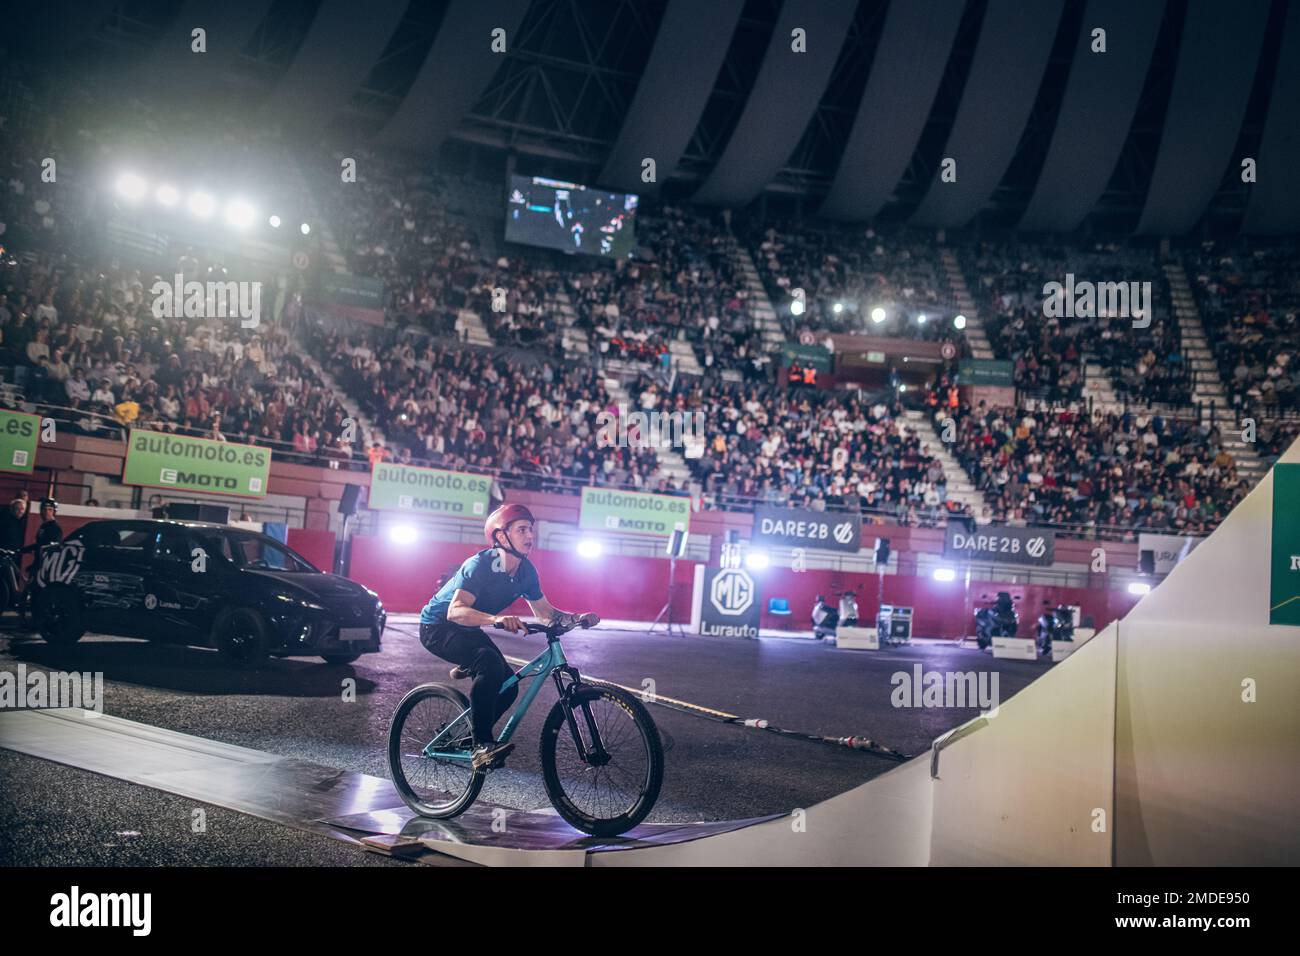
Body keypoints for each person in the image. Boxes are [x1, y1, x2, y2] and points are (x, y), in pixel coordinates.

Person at [417, 504, 599, 771]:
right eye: (522, 529)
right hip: (437, 626)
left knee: (509, 685)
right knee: (488, 663)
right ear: (501, 536)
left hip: (469, 628)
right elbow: (455, 612)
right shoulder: (480, 564)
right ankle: (482, 746)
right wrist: (496, 619)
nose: (530, 536)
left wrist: (576, 618)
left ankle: (470, 735)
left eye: (531, 530)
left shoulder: (526, 571)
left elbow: (546, 614)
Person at [19, 498, 63, 577]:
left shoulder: (55, 528)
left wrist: (27, 550)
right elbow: (40, 544)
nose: (46, 512)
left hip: (46, 566)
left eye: (50, 510)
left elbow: (50, 548)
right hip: (39, 562)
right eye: (44, 510)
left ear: (54, 512)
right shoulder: (44, 526)